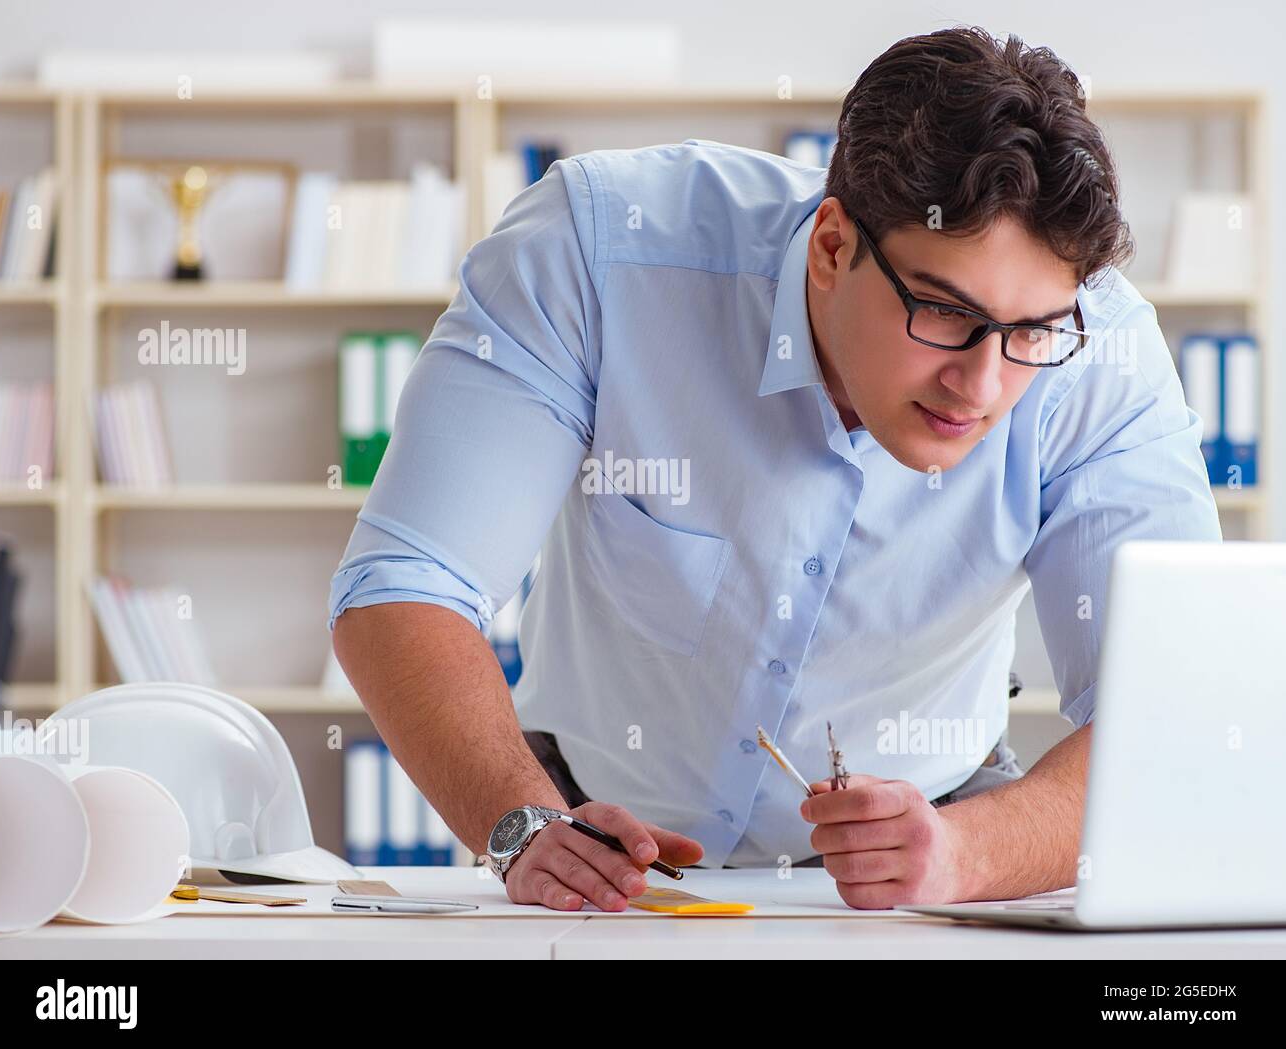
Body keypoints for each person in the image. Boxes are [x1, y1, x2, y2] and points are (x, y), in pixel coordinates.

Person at [329, 26, 1220, 911]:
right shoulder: (597, 251)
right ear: (833, 246)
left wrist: (962, 855)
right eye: (945, 313)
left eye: (1030, 331)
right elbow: (402, 583)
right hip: (588, 834)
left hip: (937, 844)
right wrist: (521, 823)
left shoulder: (1100, 353)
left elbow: (1170, 711)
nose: (983, 384)